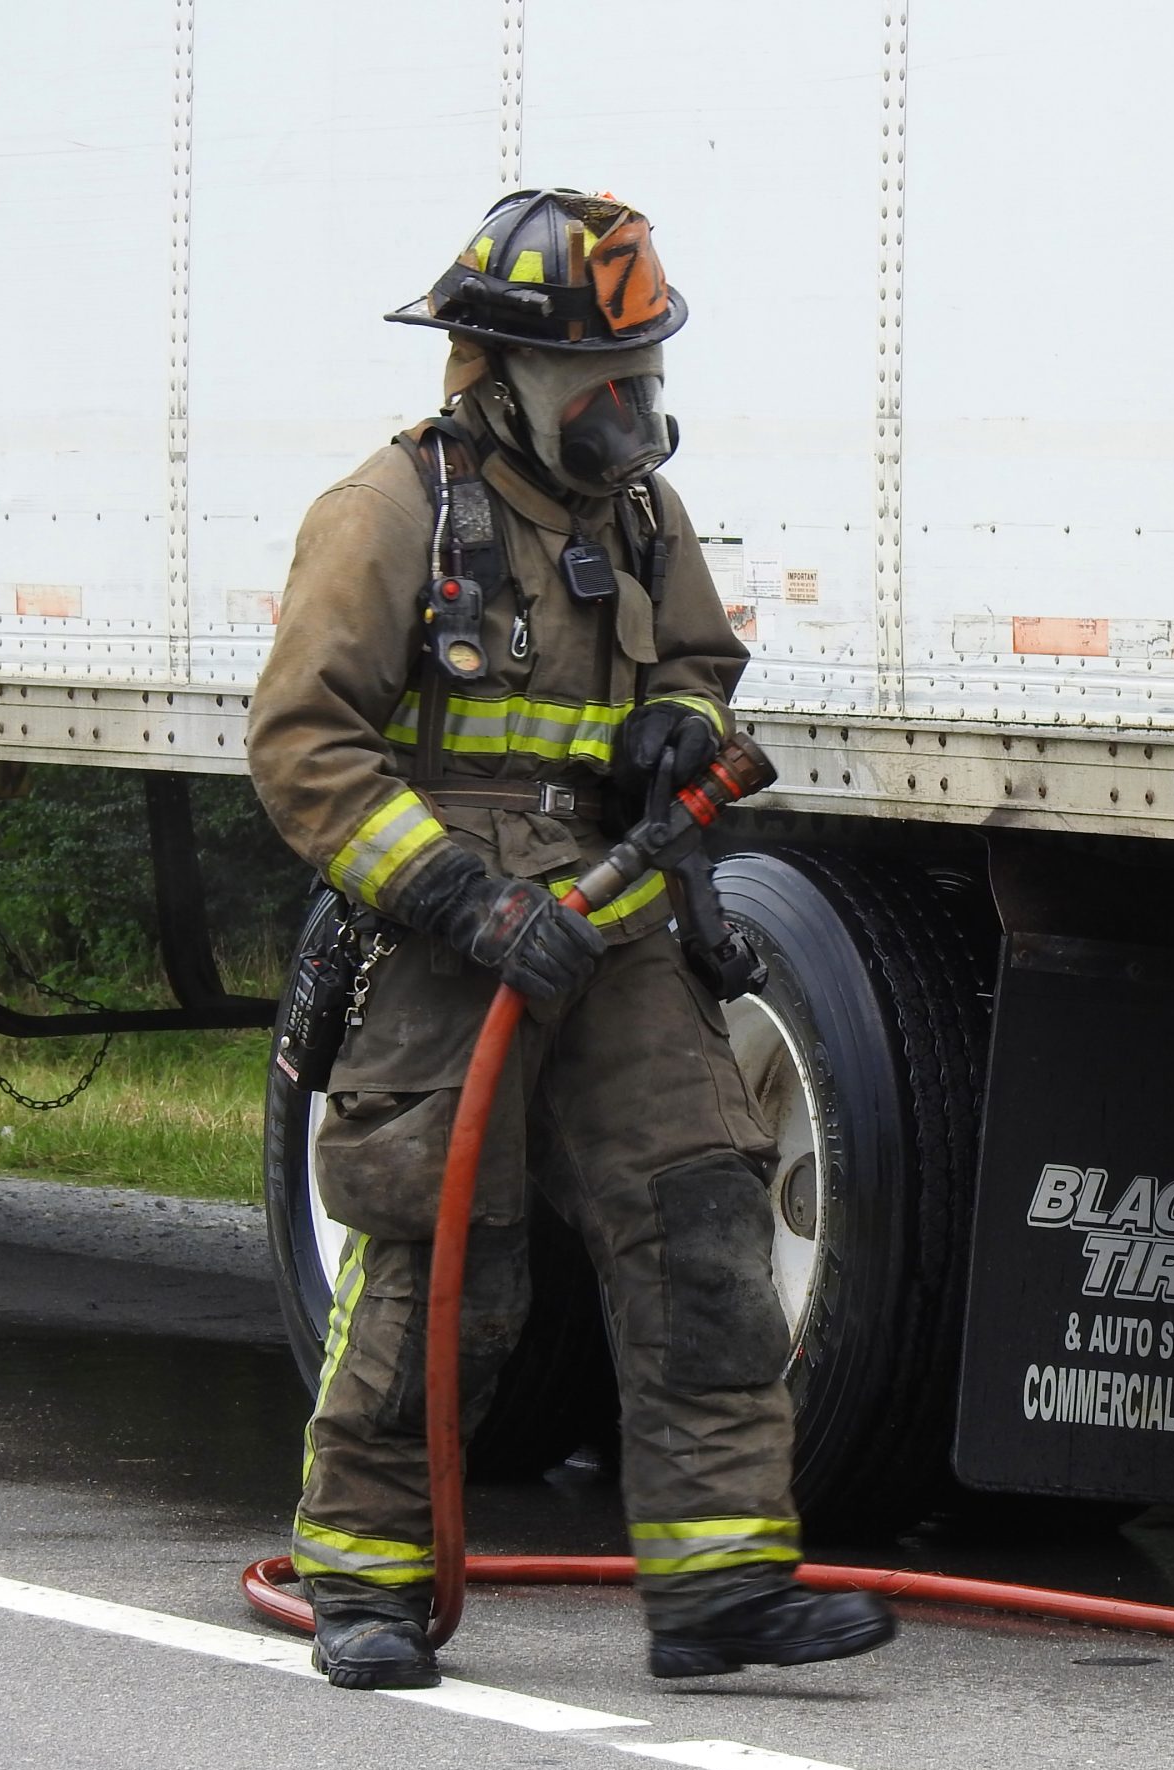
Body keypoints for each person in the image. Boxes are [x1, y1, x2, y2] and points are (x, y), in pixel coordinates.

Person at [246, 188, 894, 1690]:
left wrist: (682, 722)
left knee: (702, 1219)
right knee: (440, 1255)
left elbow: (702, 662)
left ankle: (722, 1587)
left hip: (617, 907)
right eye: (607, 382)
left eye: (648, 377)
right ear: (495, 372)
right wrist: (462, 902)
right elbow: (303, 748)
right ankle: (365, 1581)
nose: (635, 414)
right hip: (448, 935)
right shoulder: (393, 513)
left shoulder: (639, 516)